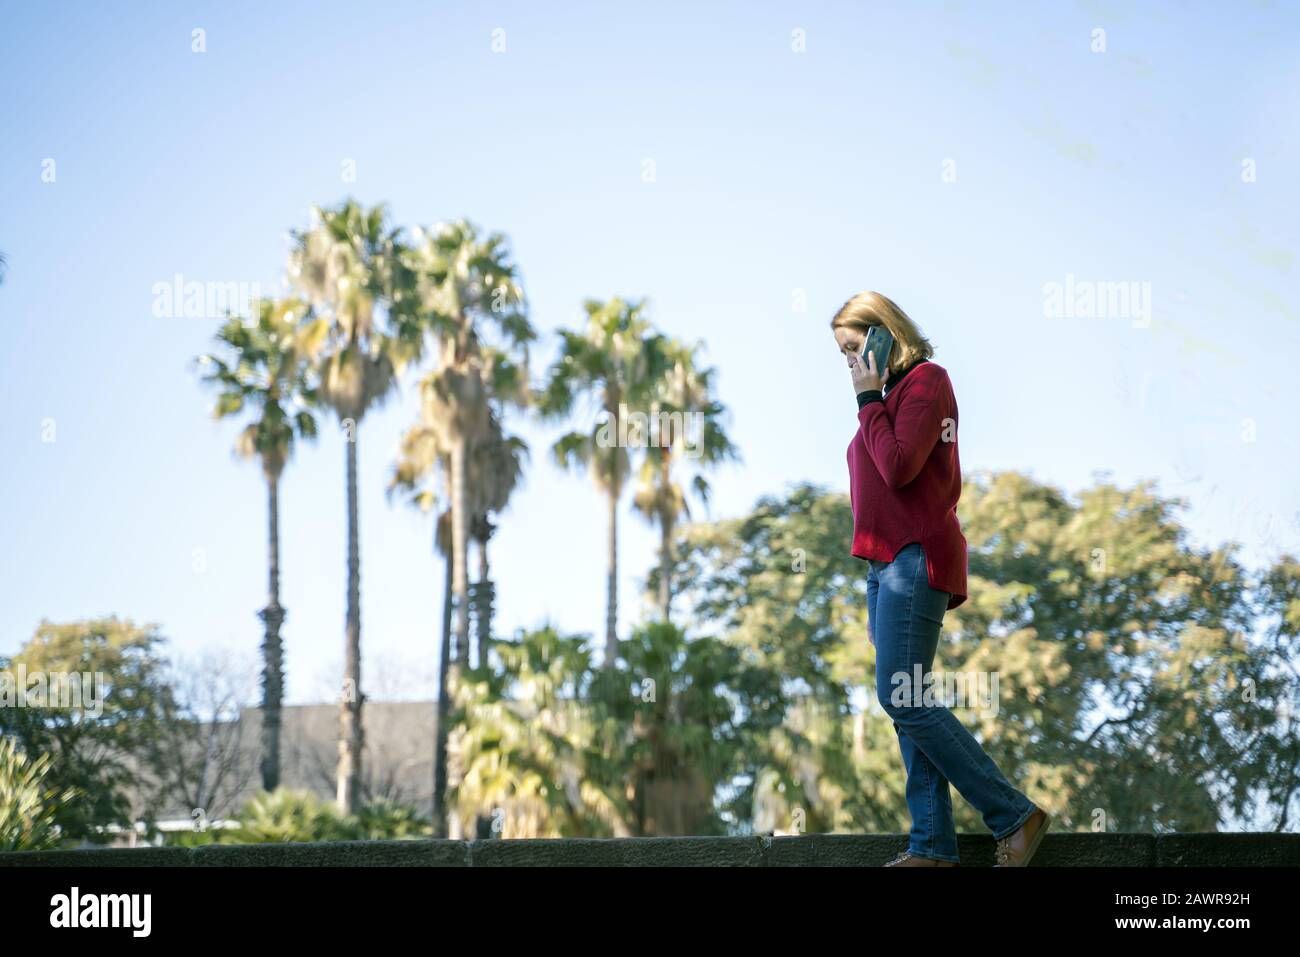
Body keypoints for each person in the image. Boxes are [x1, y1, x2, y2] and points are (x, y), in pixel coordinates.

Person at [832, 290, 1050, 867]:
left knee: (899, 695)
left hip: (914, 555)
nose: (850, 365)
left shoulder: (926, 382)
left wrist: (867, 398)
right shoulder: (883, 400)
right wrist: (871, 400)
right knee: (910, 699)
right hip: (883, 566)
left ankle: (1014, 815)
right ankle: (931, 846)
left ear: (884, 334)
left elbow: (900, 465)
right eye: (844, 357)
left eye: (855, 349)